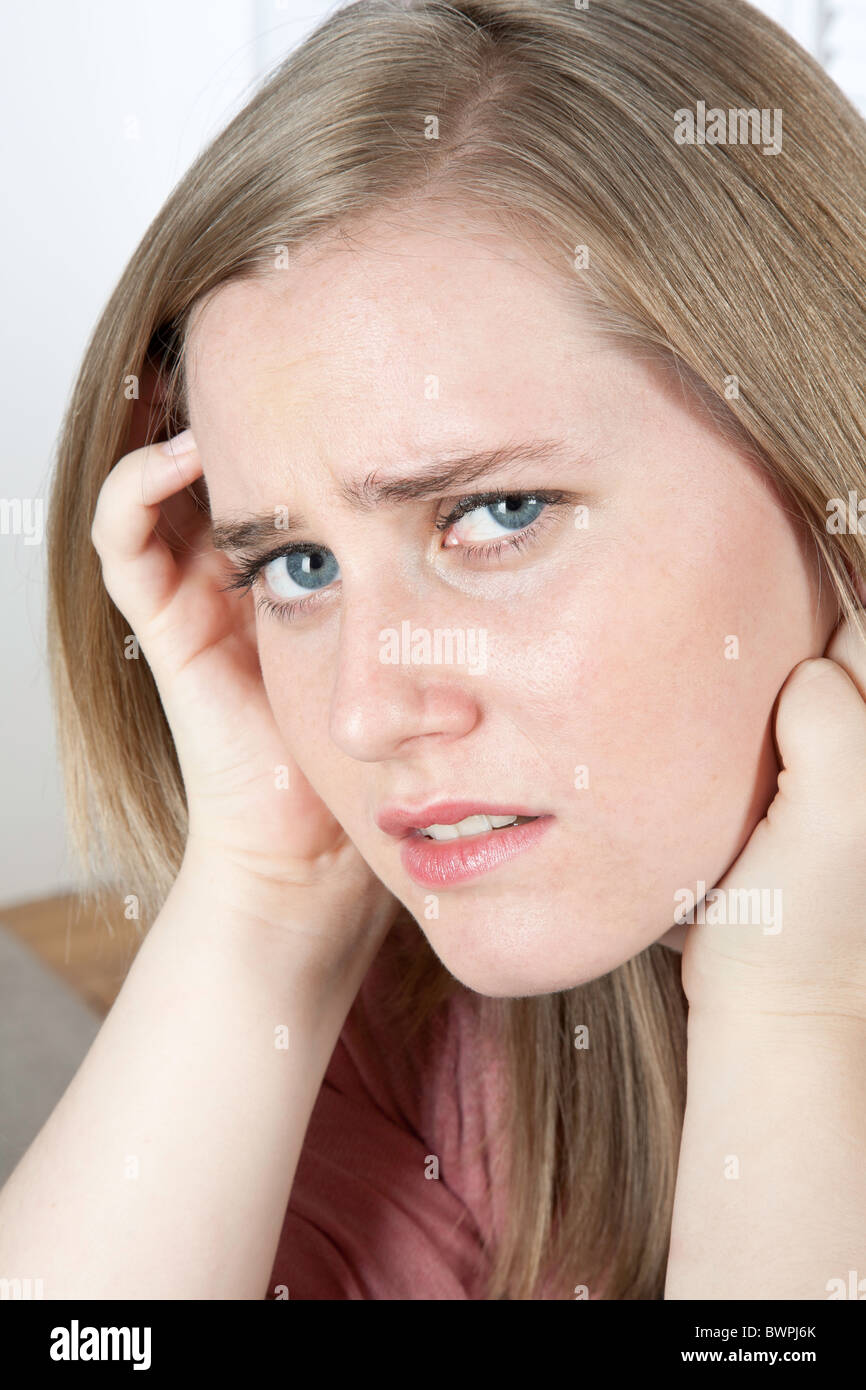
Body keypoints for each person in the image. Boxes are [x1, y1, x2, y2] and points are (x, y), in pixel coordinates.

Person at [1, 0, 865, 1299]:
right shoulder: (418, 1032)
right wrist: (263, 900)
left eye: (494, 514)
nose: (362, 711)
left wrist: (803, 1028)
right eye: (295, 566)